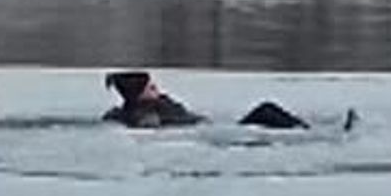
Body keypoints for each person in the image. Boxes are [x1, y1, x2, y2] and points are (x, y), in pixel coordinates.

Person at [103, 70, 317, 130]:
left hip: (212, 128)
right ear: (140, 94)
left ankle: (304, 128)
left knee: (266, 111)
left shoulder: (152, 105)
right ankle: (309, 131)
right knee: (266, 110)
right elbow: (144, 122)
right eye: (151, 88)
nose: (158, 90)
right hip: (219, 134)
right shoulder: (143, 111)